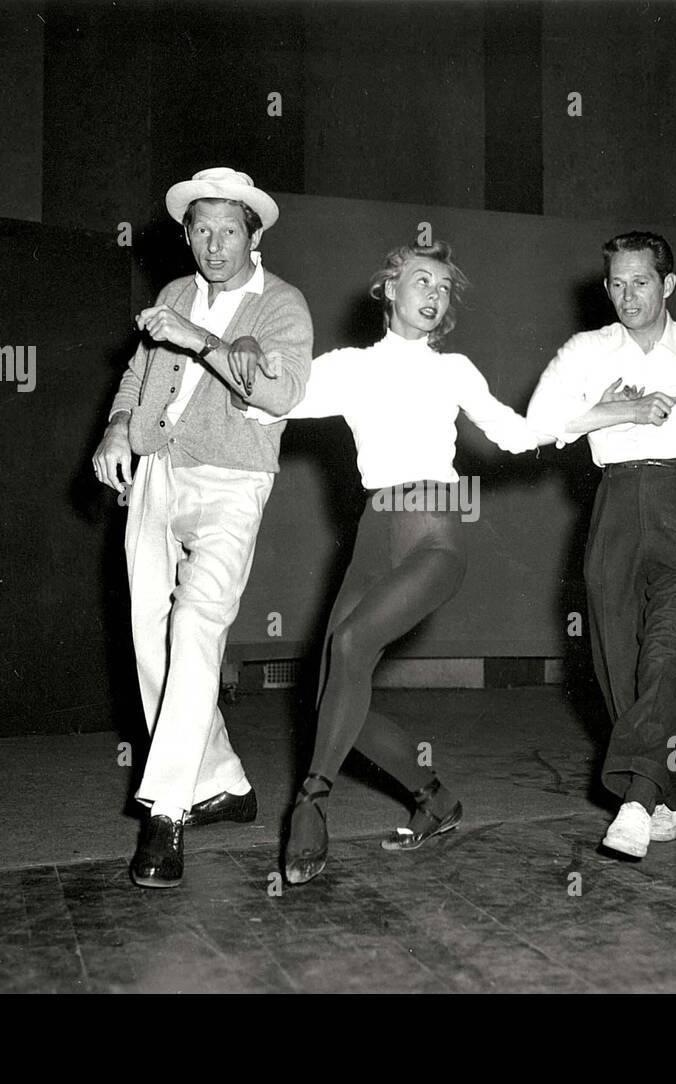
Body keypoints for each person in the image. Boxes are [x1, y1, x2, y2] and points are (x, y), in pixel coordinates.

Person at [238, 241, 545, 885]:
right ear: (388, 288)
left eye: (443, 286)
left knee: (350, 643)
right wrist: (237, 357)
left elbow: (516, 432)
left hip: (438, 532)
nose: (434, 293)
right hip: (374, 536)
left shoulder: (454, 369)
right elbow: (274, 400)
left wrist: (602, 414)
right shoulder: (349, 368)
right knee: (330, 694)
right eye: (420, 280)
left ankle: (310, 802)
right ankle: (434, 799)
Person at [91, 167, 313, 889]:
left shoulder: (282, 306)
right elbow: (138, 369)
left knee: (195, 631)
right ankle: (225, 782)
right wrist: (119, 427)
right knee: (151, 642)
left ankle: (165, 813)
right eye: (202, 230)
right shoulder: (172, 293)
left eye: (229, 231)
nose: (214, 245)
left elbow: (279, 392)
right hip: (157, 470)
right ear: (187, 233)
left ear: (255, 235)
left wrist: (197, 338)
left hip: (231, 481)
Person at [526, 230, 676, 859]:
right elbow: (538, 424)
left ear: (668, 284)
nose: (627, 295)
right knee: (616, 659)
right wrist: (612, 414)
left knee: (670, 651)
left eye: (640, 282)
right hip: (616, 502)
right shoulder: (585, 351)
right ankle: (670, 792)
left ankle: (634, 802)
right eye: (616, 283)